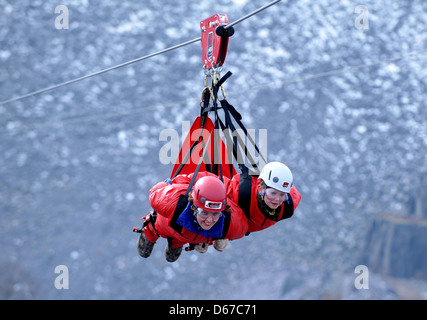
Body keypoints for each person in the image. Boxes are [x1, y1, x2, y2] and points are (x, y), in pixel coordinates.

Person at [137, 175, 248, 262]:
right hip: (161, 226)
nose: (209, 220)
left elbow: (243, 227)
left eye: (215, 214)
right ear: (194, 207)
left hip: (182, 238)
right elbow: (154, 193)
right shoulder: (172, 203)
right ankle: (150, 231)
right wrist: (170, 184)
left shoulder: (231, 224)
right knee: (144, 252)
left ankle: (175, 244)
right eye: (204, 212)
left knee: (171, 257)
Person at [226, 161, 301, 233]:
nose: (277, 199)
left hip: (242, 226)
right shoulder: (241, 193)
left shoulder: (288, 207)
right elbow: (217, 188)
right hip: (233, 216)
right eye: (273, 193)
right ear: (261, 189)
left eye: (282, 195)